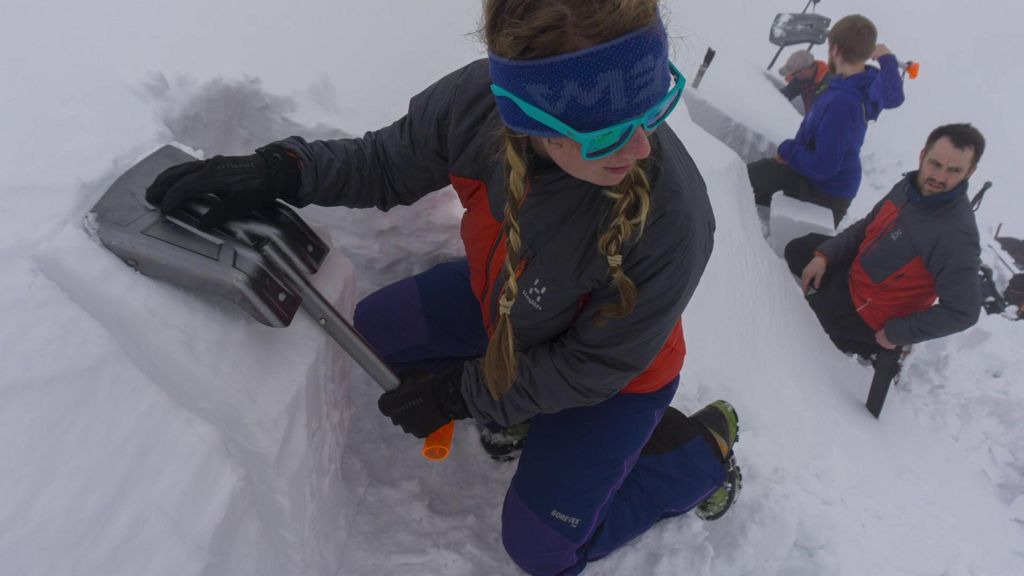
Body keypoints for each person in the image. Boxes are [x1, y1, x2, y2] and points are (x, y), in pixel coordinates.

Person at [143, 2, 741, 574]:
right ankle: (528, 418)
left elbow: (590, 367)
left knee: (541, 552)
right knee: (370, 333)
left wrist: (462, 395)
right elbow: (382, 163)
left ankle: (694, 452)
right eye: (608, 133)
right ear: (532, 120)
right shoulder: (476, 106)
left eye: (653, 110)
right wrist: (279, 171)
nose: (641, 147)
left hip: (613, 380)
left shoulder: (673, 219)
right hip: (505, 301)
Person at [784, 123, 985, 363]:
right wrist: (825, 256)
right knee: (798, 250)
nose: (940, 177)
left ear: (970, 172)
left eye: (954, 170)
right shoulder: (908, 187)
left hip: (869, 313)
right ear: (923, 155)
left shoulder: (955, 236)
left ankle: (877, 350)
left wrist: (896, 333)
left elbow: (964, 311)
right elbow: (867, 225)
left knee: (797, 322)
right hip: (856, 272)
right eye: (935, 164)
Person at [748, 14, 906, 229]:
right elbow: (893, 95)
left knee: (748, 179)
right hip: (824, 181)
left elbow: (825, 166)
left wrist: (788, 150)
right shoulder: (859, 82)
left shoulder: (844, 103)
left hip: (824, 192)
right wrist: (886, 58)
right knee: (757, 177)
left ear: (835, 50)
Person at [778, 49, 832, 114]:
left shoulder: (830, 83)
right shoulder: (801, 79)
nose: (791, 77)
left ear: (804, 71)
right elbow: (784, 94)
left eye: (793, 74)